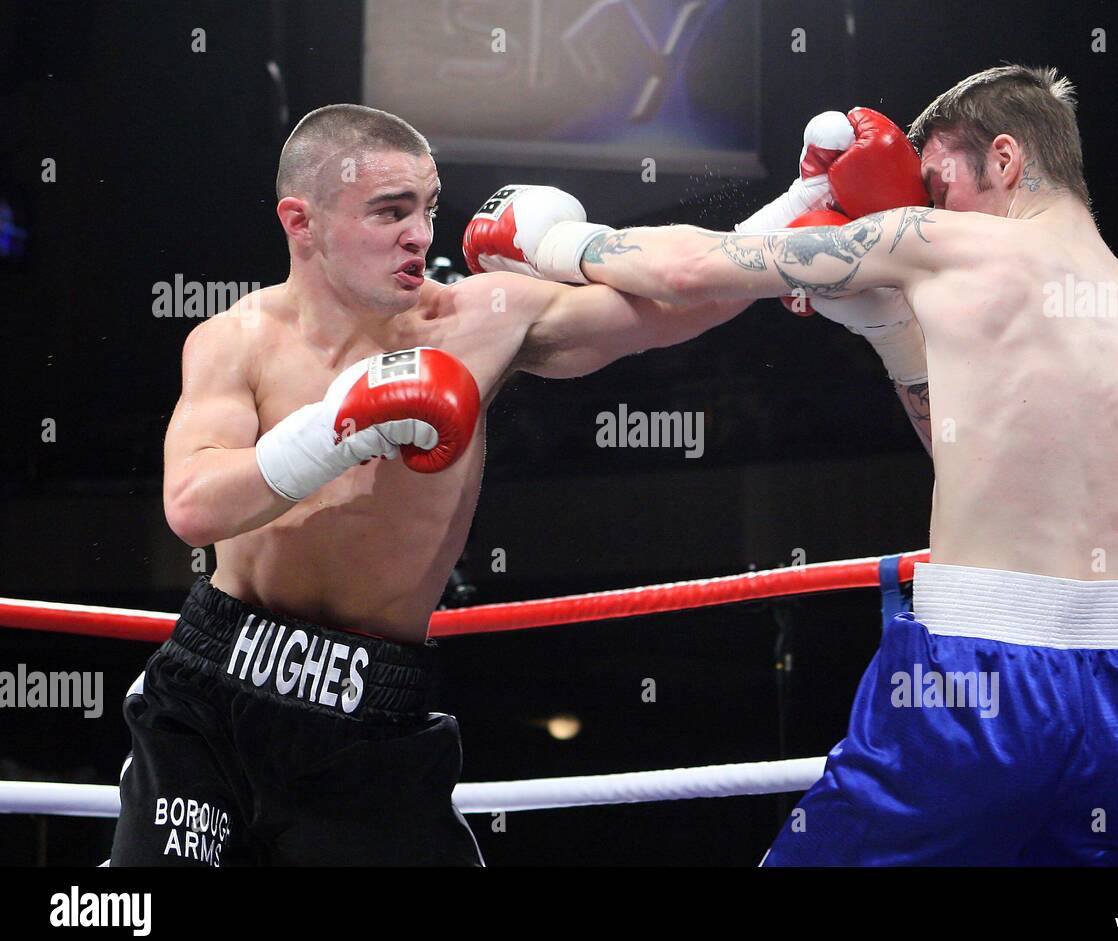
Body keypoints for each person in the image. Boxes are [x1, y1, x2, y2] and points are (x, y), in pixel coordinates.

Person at [469, 66, 1118, 866]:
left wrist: (551, 240)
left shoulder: (945, 243)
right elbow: (985, 458)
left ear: (1005, 157)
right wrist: (892, 334)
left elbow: (686, 273)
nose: (924, 204)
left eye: (938, 182)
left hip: (972, 680)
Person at [109, 104, 751, 866]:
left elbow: (695, 297)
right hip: (212, 693)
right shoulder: (234, 339)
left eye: (428, 209)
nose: (420, 234)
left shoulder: (482, 321)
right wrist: (338, 426)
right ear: (301, 221)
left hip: (370, 716)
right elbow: (192, 508)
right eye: (390, 212)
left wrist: (572, 245)